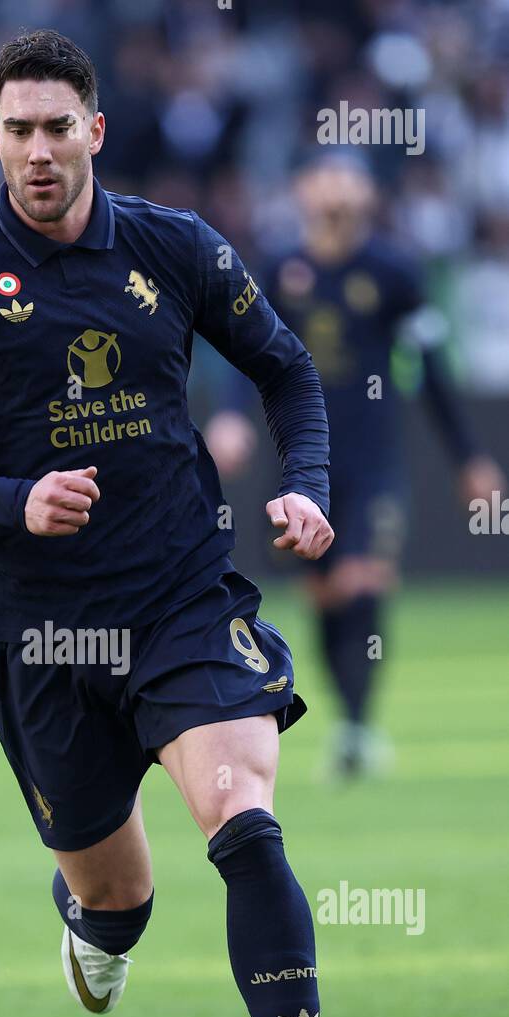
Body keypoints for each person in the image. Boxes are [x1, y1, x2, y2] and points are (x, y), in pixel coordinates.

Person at [0, 30, 348, 1017]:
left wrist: (308, 488)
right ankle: (89, 919)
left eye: (56, 128)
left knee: (242, 819)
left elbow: (286, 372)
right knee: (119, 900)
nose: (37, 151)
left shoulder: (175, 247)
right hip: (37, 634)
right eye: (16, 131)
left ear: (94, 131)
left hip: (180, 596)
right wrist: (6, 504)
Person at [205, 155, 504, 776]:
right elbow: (247, 355)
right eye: (324, 179)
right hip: (300, 459)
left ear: (367, 194)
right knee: (324, 591)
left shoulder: (394, 273)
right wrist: (232, 416)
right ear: (302, 190)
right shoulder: (282, 271)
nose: (336, 192)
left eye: (349, 179)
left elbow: (433, 371)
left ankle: (359, 729)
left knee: (364, 581)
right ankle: (348, 718)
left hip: (372, 461)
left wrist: (469, 458)